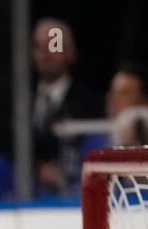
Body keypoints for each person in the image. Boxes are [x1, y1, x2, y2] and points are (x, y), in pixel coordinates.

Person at [30, 17, 101, 196]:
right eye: (39, 47)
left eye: (54, 45)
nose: (46, 53)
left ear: (71, 53)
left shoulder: (91, 103)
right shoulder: (18, 100)